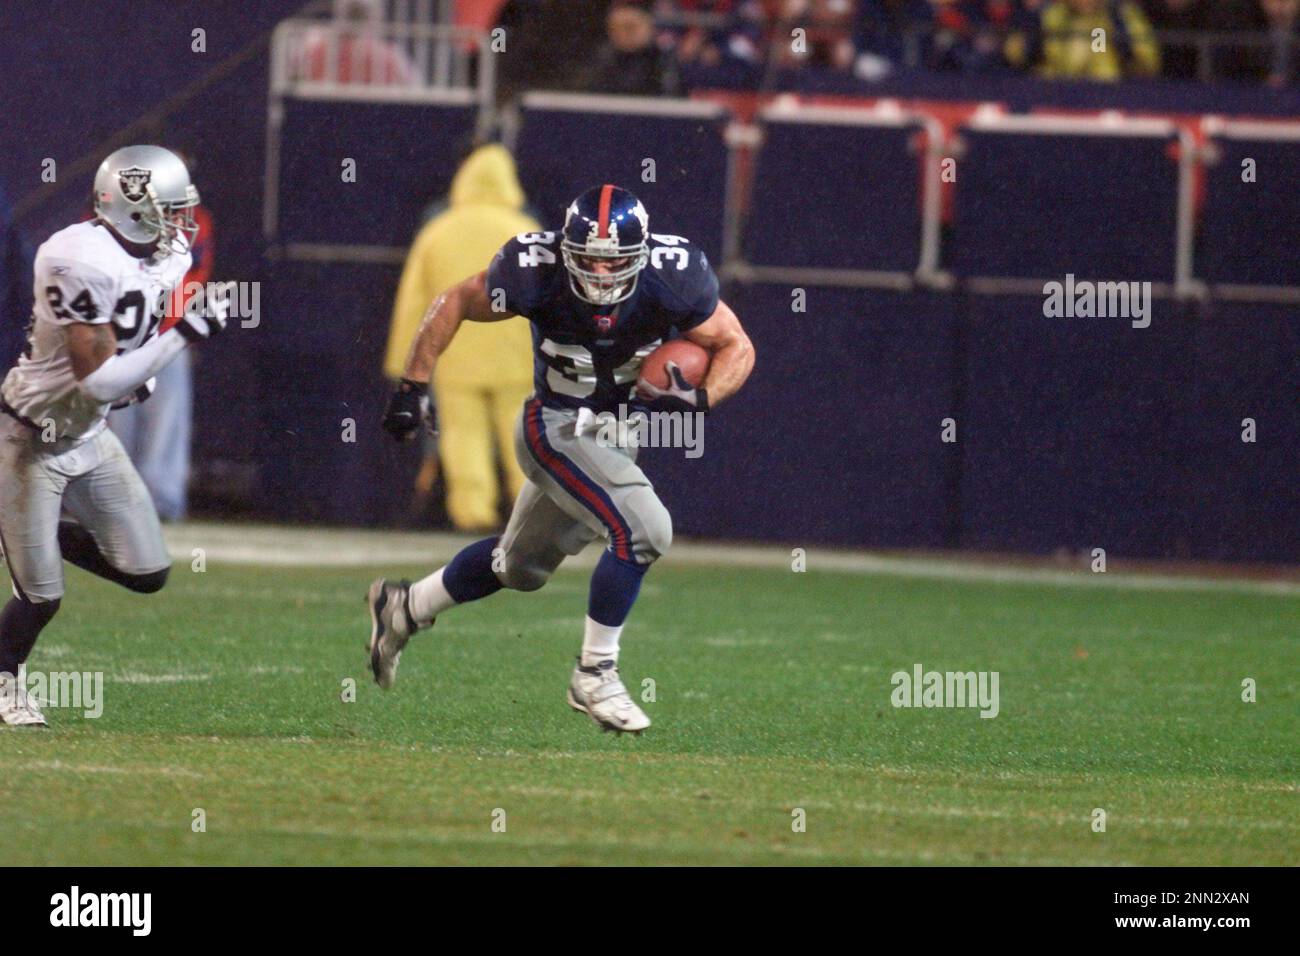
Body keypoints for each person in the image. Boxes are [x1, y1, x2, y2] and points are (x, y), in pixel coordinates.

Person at [367, 185, 755, 734]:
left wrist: (701, 397)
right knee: (647, 529)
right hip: (555, 426)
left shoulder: (675, 273)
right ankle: (595, 673)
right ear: (566, 249)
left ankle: (404, 606)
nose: (599, 272)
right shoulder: (533, 266)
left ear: (640, 255)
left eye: (613, 260)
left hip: (616, 435)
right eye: (588, 258)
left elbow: (736, 344)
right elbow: (454, 300)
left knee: (517, 567)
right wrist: (412, 386)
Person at [0, 146, 227, 726]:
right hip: (31, 438)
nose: (183, 224)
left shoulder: (166, 256)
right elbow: (99, 380)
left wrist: (140, 378)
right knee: (42, 596)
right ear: (133, 206)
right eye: (172, 209)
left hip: (89, 434)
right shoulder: (76, 257)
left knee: (146, 572)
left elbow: (118, 368)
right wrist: (184, 336)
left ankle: (33, 527)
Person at [384, 145, 537, 532]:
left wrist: (404, 363)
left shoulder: (438, 232)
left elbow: (414, 302)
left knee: (462, 438)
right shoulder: (526, 233)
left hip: (457, 355)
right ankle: (535, 517)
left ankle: (474, 516)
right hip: (517, 356)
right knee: (525, 439)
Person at [1006, 0, 1161, 80]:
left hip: (1110, 96)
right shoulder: (1050, 14)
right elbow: (1015, 53)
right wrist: (1031, 37)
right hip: (1056, 95)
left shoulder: (1119, 15)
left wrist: (1123, 41)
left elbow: (1148, 62)